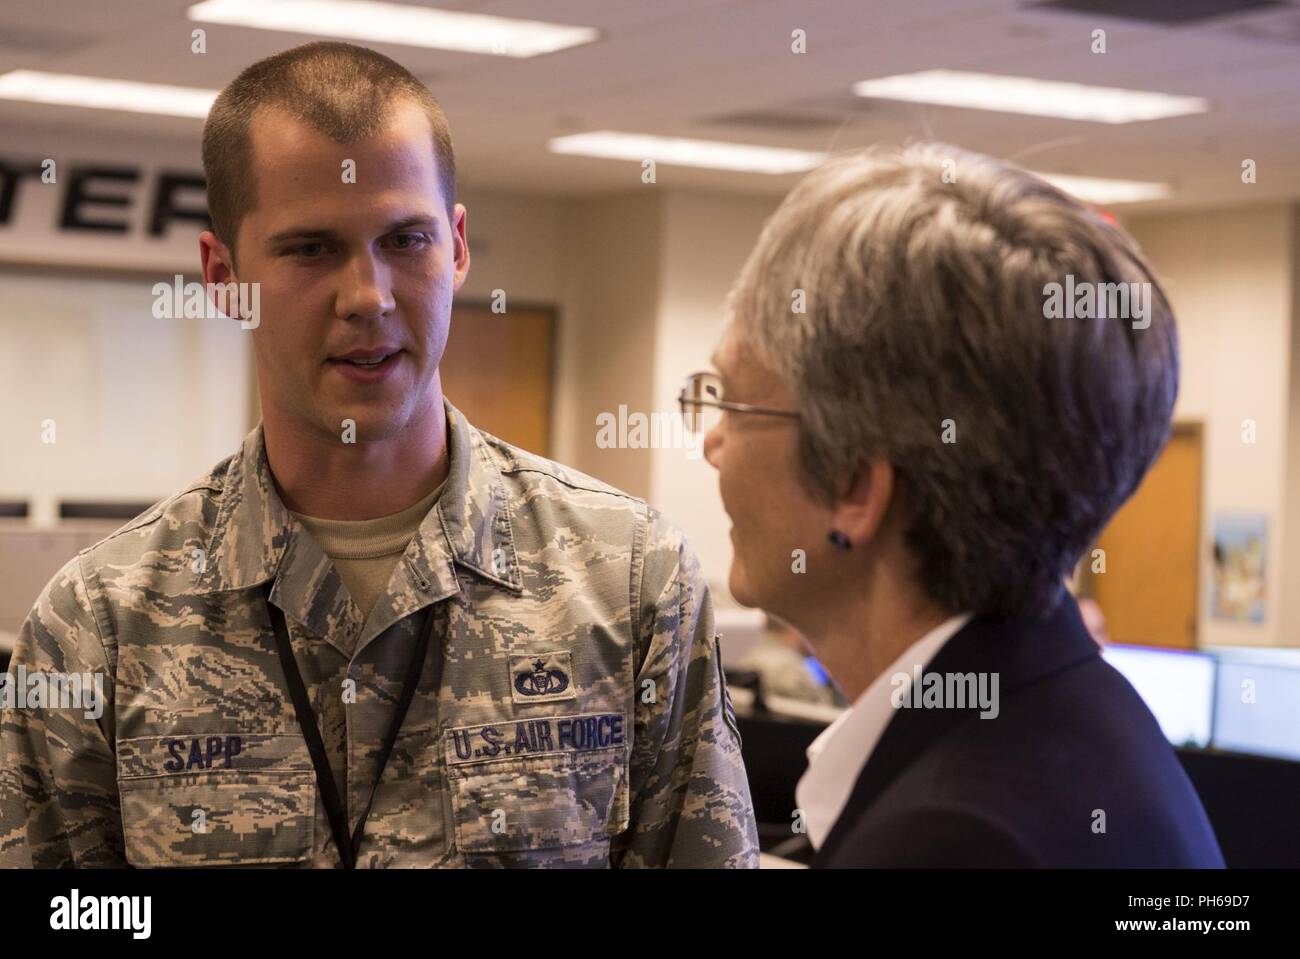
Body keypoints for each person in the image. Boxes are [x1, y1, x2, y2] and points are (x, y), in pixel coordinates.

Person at [0, 41, 757, 869]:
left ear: (458, 247)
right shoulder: (100, 625)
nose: (369, 296)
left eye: (406, 240)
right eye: (311, 249)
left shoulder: (633, 583)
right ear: (222, 275)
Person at [684, 143, 1223, 867]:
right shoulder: (1076, 717)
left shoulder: (948, 837)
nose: (714, 442)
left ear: (853, 488)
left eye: (735, 404)